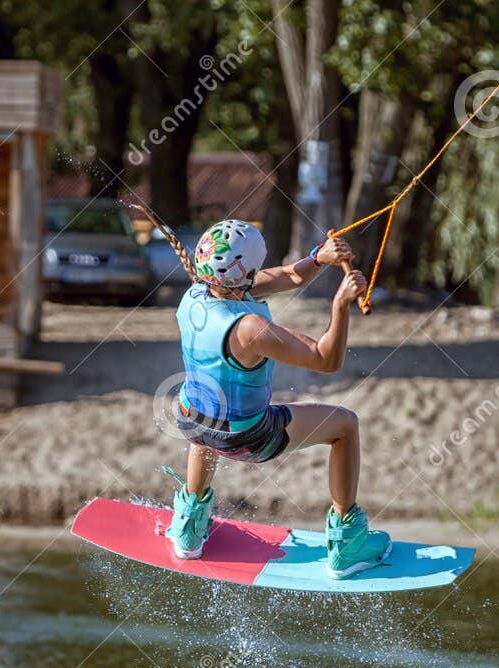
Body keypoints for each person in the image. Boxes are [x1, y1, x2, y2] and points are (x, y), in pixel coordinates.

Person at [159, 219, 390, 578]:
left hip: (190, 420)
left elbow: (287, 276)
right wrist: (340, 305)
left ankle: (189, 526)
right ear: (247, 272)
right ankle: (348, 544)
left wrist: (319, 257)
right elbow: (326, 360)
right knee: (345, 425)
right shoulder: (250, 329)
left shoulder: (195, 295)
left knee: (207, 412)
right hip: (247, 438)